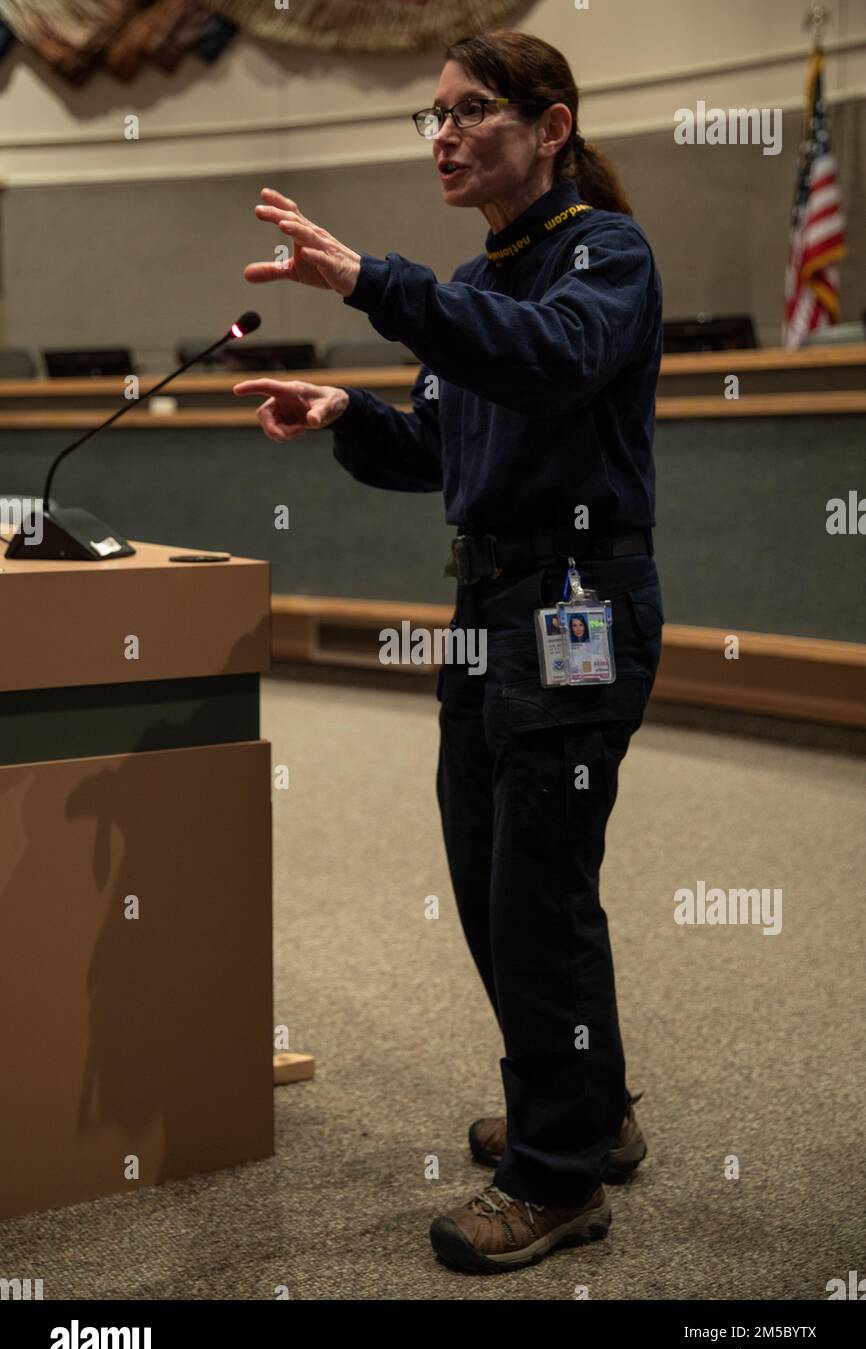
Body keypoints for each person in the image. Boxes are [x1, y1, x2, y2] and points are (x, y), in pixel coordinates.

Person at [235, 28, 664, 1275]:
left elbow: (548, 367)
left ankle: (556, 1176)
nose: (444, 134)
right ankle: (589, 1111)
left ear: (550, 127)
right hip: (488, 615)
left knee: (537, 892)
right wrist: (345, 412)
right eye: (431, 116)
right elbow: (444, 445)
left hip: (574, 607)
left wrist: (376, 282)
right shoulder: (485, 283)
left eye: (471, 110)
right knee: (493, 883)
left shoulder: (602, 255)